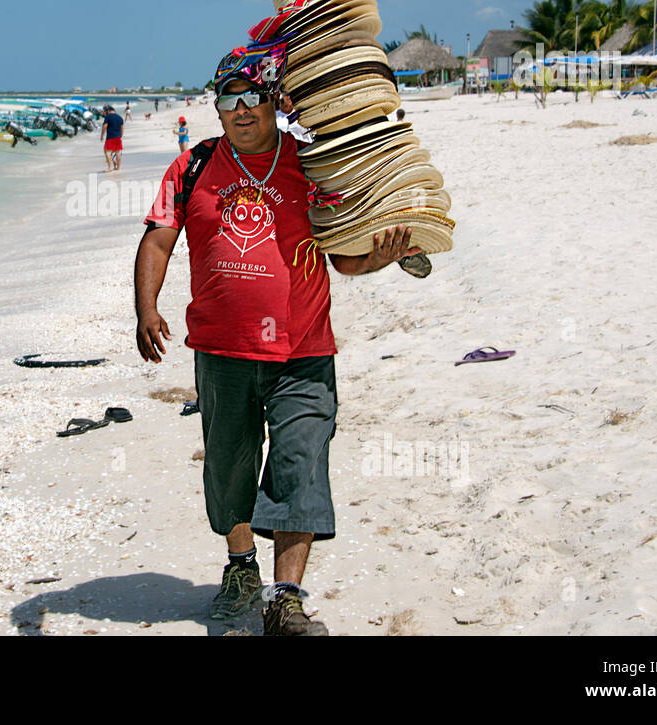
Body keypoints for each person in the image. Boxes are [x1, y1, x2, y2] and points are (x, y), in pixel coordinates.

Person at [134, 47, 421, 636]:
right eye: (226, 99)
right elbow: (160, 240)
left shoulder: (313, 165)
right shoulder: (191, 167)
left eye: (250, 98)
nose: (238, 110)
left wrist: (378, 257)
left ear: (274, 101)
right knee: (228, 470)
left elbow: (343, 258)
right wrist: (146, 308)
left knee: (302, 463)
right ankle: (242, 565)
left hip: (304, 351)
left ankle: (285, 599)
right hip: (222, 351)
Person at [101, 103, 124, 172]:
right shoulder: (120, 117)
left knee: (107, 151)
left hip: (110, 137)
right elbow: (122, 128)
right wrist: (120, 136)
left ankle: (110, 167)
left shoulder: (108, 117)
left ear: (108, 111)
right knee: (118, 152)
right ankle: (118, 168)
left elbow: (105, 126)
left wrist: (102, 135)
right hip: (118, 137)